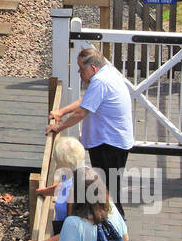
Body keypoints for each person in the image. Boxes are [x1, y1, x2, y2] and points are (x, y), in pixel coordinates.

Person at [47, 47, 134, 211]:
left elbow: (81, 112)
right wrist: (62, 111)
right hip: (112, 141)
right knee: (105, 190)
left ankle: (117, 229)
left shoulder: (100, 81)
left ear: (93, 68)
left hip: (109, 144)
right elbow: (86, 100)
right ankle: (111, 227)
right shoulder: (106, 74)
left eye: (81, 69)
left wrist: (58, 127)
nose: (80, 73)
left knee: (107, 193)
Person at [22, 134, 86, 241]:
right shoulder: (81, 172)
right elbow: (63, 186)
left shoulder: (78, 192)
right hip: (63, 233)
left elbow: (73, 230)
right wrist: (44, 191)